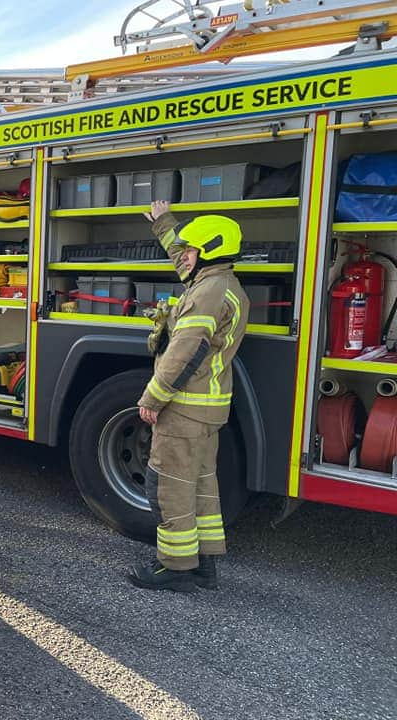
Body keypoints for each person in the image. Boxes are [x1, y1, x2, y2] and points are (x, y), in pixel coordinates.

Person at [130, 200, 250, 593]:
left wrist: (153, 398)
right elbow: (183, 255)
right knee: (201, 484)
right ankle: (204, 564)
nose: (184, 255)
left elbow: (186, 350)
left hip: (184, 408)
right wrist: (164, 223)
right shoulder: (220, 283)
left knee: (167, 486)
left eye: (191, 250)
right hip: (207, 409)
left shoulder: (208, 293)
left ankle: (175, 567)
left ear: (207, 253)